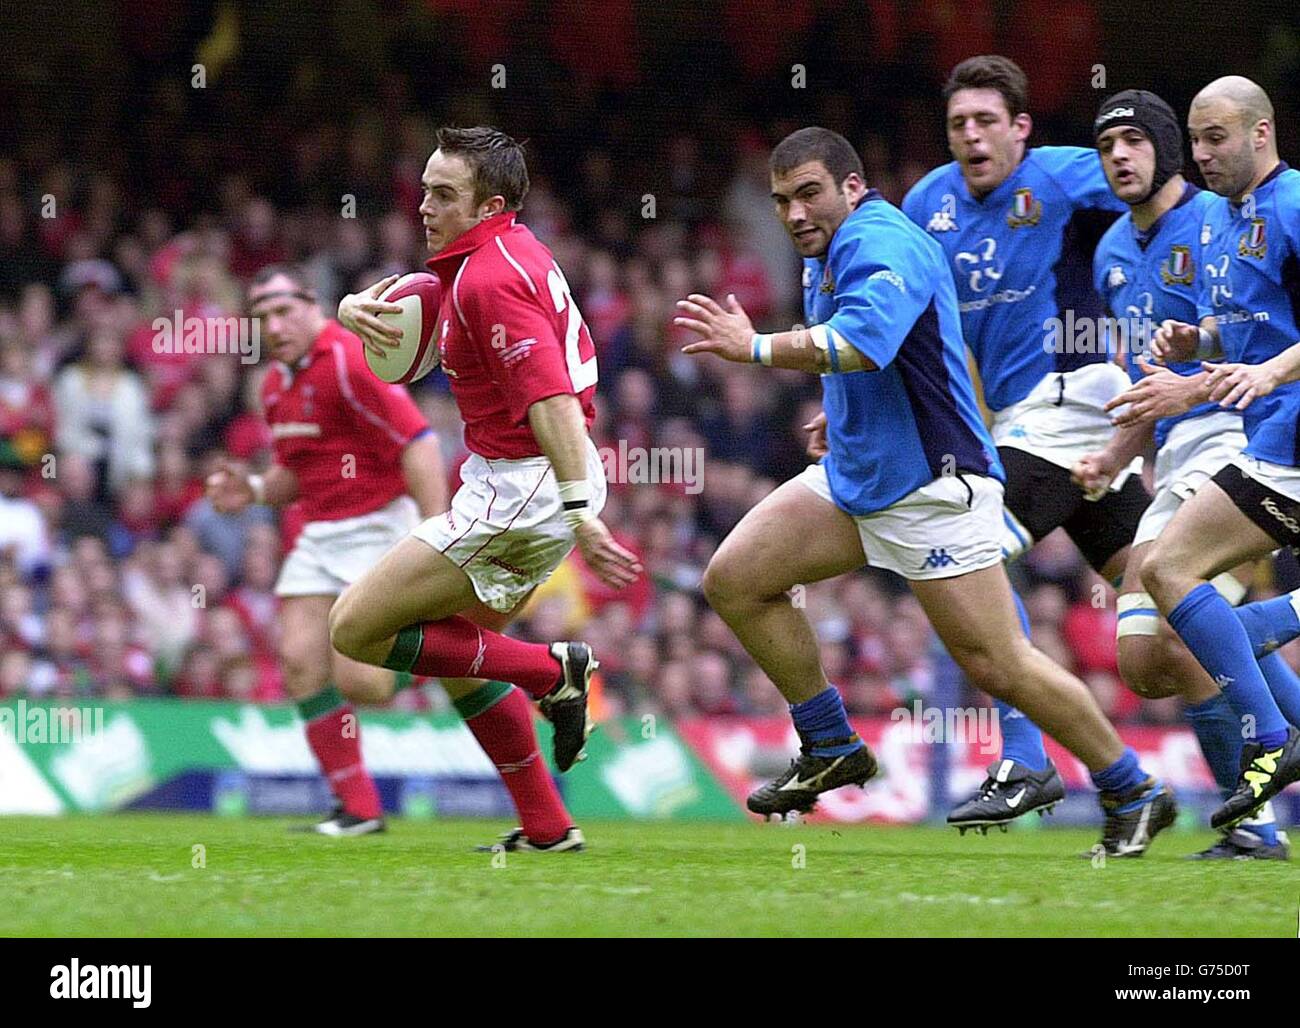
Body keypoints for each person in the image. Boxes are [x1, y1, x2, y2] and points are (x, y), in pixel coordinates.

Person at [674, 125, 1174, 856]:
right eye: (782, 200)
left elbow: (863, 342)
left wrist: (752, 345)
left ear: (853, 187)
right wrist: (840, 417)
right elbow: (880, 359)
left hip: (934, 491)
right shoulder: (827, 251)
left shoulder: (885, 242)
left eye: (810, 193)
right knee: (737, 578)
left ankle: (1132, 788)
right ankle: (831, 743)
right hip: (855, 480)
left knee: (999, 663)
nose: (795, 213)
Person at [329, 126, 643, 852]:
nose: (424, 207)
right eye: (425, 190)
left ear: (488, 203)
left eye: (443, 195)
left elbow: (552, 402)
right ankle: (547, 826)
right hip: (523, 482)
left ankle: (553, 670)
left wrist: (579, 513)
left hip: (522, 490)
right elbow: (425, 308)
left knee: (355, 628)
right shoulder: (498, 254)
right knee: (463, 658)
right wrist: (350, 309)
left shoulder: (493, 281)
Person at [900, 54, 1145, 831]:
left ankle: (1026, 758)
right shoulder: (926, 205)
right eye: (957, 126)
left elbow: (1163, 197)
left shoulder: (1067, 177)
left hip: (1077, 395)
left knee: (971, 544)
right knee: (1170, 596)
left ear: (1021, 129)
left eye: (986, 122)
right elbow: (907, 314)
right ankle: (1258, 801)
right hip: (1027, 426)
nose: (971, 137)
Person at [1076, 89, 1295, 859]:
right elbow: (1232, 330)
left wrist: (1225, 378)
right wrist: (1190, 345)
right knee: (1147, 656)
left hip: (1245, 436)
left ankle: (1265, 780)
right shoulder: (1124, 248)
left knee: (1173, 581)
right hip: (1203, 441)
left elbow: (1258, 352)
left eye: (1212, 139)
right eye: (1105, 146)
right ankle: (1278, 745)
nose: (1203, 156)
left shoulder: (1259, 208)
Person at [207, 264, 447, 835]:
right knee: (298, 662)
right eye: (262, 316)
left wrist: (439, 533)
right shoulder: (273, 385)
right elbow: (295, 473)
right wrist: (257, 490)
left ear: (312, 306)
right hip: (319, 533)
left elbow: (419, 440)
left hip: (379, 527)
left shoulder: (347, 360)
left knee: (365, 682)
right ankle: (359, 810)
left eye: (284, 309)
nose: (275, 324)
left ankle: (455, 654)